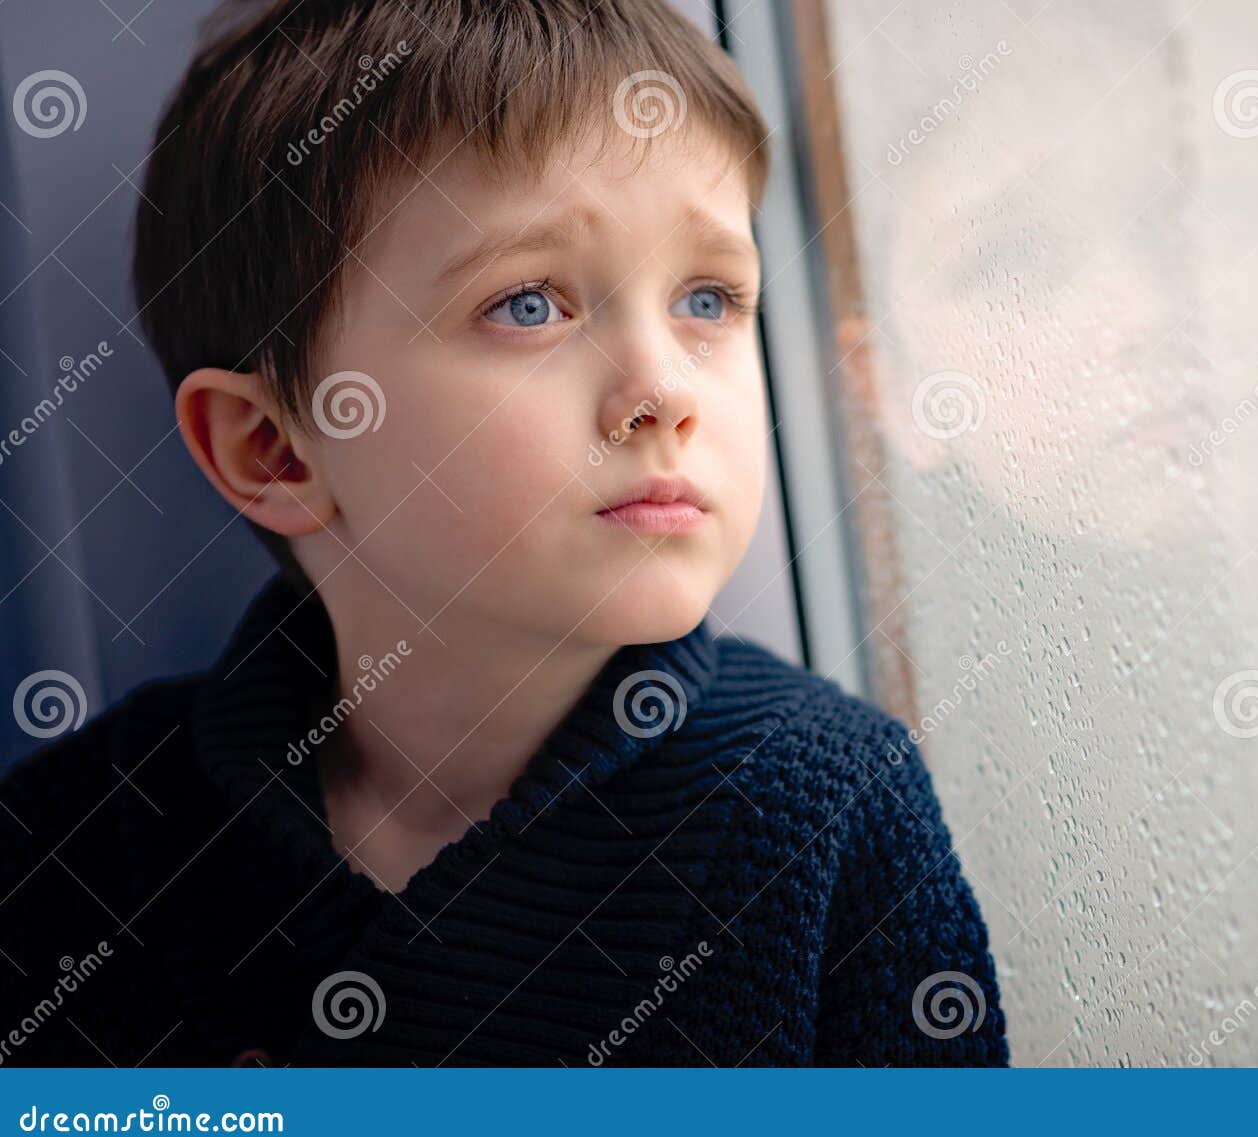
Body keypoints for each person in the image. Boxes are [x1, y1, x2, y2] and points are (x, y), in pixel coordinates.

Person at [0, 0, 1006, 1067]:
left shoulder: (823, 801)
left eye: (708, 300)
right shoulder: (78, 841)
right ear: (276, 450)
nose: (664, 392)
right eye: (529, 305)